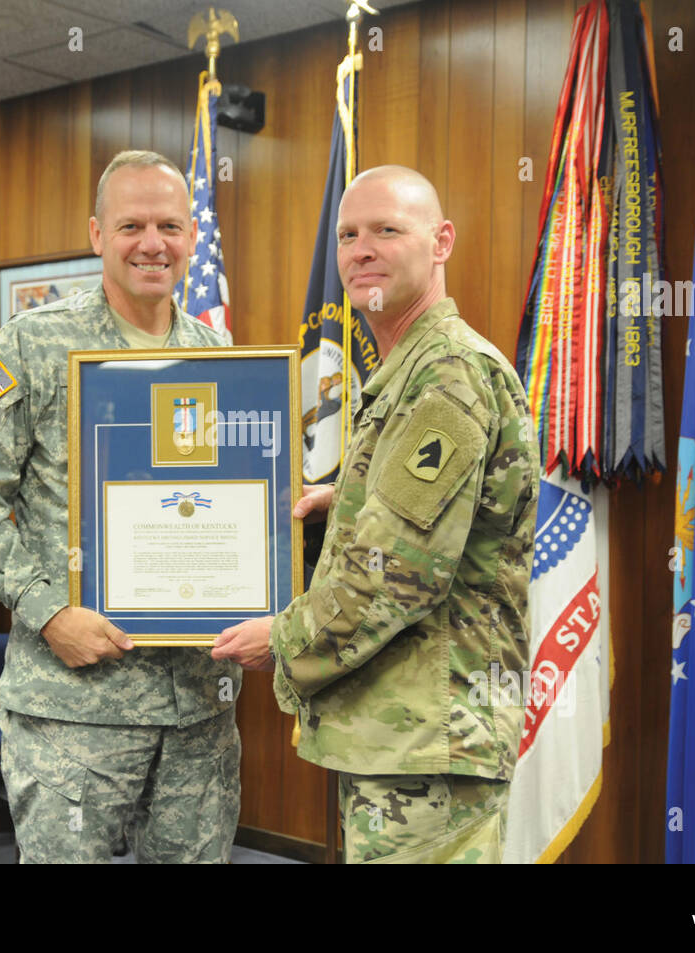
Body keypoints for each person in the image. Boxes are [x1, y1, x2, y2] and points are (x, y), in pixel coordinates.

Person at [212, 165, 539, 864]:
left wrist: (283, 635)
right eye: (348, 235)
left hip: (432, 740)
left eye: (387, 230)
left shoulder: (445, 374)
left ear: (441, 240)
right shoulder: (408, 369)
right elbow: (437, 521)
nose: (362, 250)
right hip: (408, 732)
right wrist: (352, 500)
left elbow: (398, 577)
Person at [0, 150, 241, 864]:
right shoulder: (31, 345)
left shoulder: (217, 353)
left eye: (169, 224)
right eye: (131, 224)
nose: (151, 243)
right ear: (98, 234)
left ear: (192, 237)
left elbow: (229, 506)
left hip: (199, 705)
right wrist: (48, 611)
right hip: (73, 707)